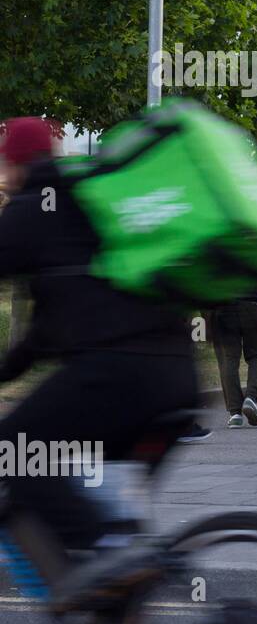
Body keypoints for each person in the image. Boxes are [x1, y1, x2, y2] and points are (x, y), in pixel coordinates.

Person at [0, 117, 202, 552]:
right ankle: (115, 591)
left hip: (118, 374)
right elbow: (45, 332)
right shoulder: (91, 201)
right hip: (177, 377)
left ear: (16, 163)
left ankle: (101, 574)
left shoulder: (34, 206)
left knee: (14, 452)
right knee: (109, 512)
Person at [207, 280, 257, 429]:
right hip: (252, 301)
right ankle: (251, 398)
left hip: (221, 303)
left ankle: (235, 413)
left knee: (227, 358)